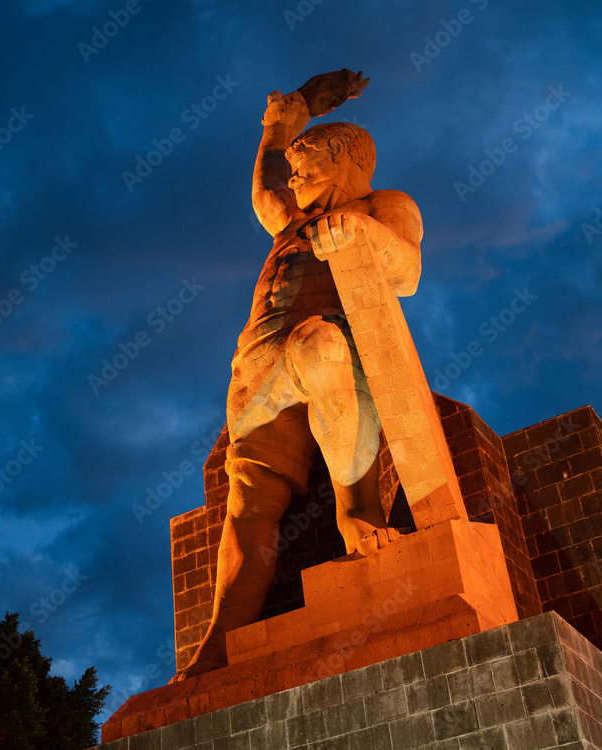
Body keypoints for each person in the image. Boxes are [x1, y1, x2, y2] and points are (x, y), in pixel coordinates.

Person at [173, 89, 424, 680]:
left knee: (323, 347)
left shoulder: (384, 203)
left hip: (326, 349)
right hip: (256, 367)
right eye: (293, 164)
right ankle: (216, 649)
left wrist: (359, 235)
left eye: (303, 162)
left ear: (344, 160)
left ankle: (355, 510)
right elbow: (263, 187)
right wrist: (279, 125)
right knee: (247, 506)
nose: (293, 173)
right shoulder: (291, 222)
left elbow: (407, 270)